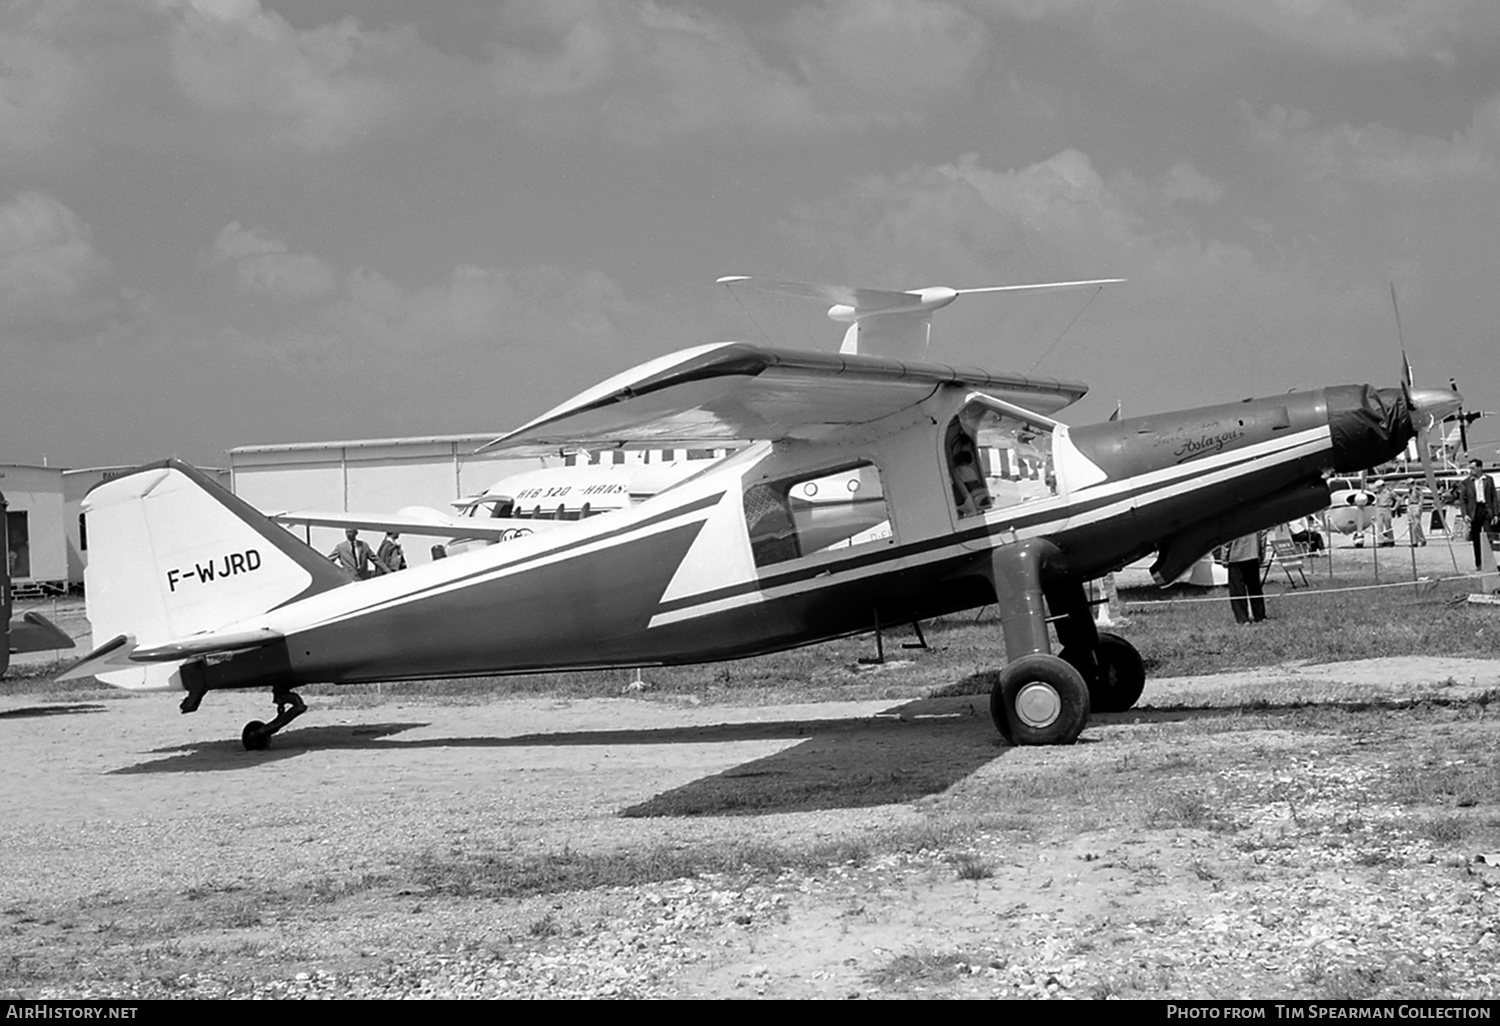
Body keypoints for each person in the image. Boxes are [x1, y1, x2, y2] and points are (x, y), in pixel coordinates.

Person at [1459, 458, 1498, 571]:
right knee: (1476, 538)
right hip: (1474, 511)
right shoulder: (1466, 482)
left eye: (1473, 468)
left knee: (1488, 537)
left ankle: (1489, 562)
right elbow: (1463, 500)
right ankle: (1479, 563)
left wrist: (1495, 514)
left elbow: (1493, 497)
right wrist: (1465, 514)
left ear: (1480, 468)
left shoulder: (1489, 480)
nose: (1471, 470)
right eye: (1470, 468)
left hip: (1486, 509)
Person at [1220, 531, 1267, 624]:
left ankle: (1242, 619)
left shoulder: (1231, 519)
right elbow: (1263, 535)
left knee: (1237, 590)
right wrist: (1261, 553)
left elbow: (1227, 539)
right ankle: (1260, 616)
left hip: (1236, 556)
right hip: (1253, 554)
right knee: (1255, 588)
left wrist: (1224, 556)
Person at [1371, 479, 1396, 546]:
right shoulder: (1377, 493)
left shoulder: (1389, 492)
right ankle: (1380, 541)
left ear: (1382, 486)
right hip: (1379, 509)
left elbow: (1398, 499)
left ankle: (1391, 540)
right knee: (1379, 526)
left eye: (1379, 487)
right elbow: (1376, 502)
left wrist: (1394, 508)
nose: (1378, 488)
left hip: (1386, 508)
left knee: (1388, 525)